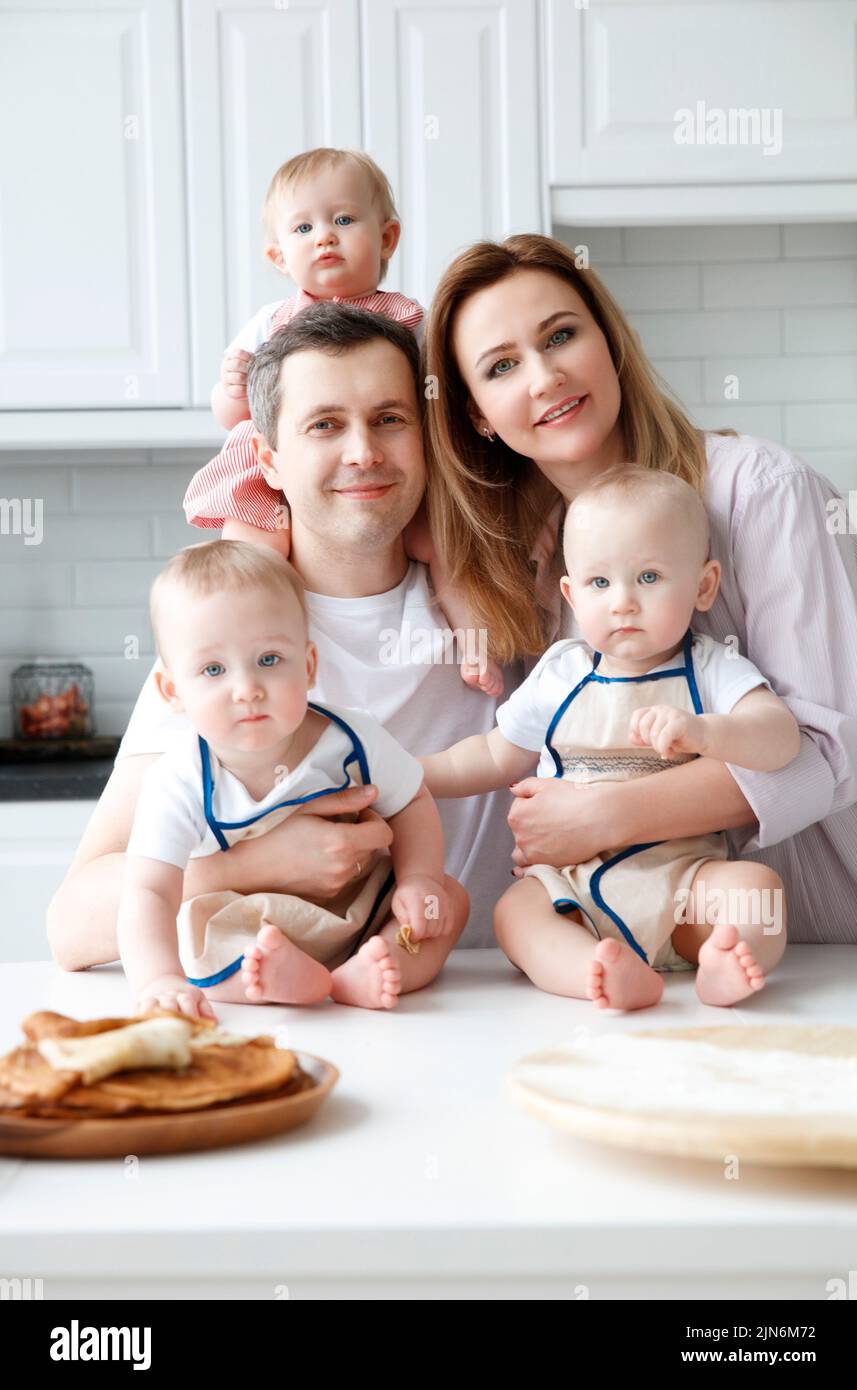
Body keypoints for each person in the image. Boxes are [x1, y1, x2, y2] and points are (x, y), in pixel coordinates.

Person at [422, 233, 857, 942]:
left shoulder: (760, 492)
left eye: (561, 336)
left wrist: (603, 816)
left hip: (835, 943)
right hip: (649, 953)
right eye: (502, 366)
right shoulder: (542, 571)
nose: (544, 378)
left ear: (610, 345)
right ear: (478, 415)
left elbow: (832, 751)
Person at [47, 305, 515, 971]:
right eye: (324, 424)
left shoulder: (498, 611)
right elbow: (70, 926)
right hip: (289, 1005)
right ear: (268, 458)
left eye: (390, 419)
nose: (363, 452)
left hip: (487, 1002)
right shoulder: (226, 644)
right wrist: (252, 865)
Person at [422, 467, 800, 1010]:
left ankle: (724, 958)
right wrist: (412, 774)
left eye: (648, 578)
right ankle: (592, 970)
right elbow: (490, 754)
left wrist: (707, 731)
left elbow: (781, 738)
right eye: (601, 584)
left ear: (703, 586)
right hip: (574, 887)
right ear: (573, 596)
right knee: (515, 914)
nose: (623, 601)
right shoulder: (561, 673)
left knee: (756, 890)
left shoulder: (713, 668)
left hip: (686, 882)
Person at [185, 146, 503, 694]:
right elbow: (236, 414)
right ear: (280, 258)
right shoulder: (270, 324)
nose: (325, 236)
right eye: (304, 227)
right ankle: (250, 654)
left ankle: (471, 637)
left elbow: (444, 388)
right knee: (249, 562)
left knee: (444, 546)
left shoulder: (412, 320)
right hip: (262, 484)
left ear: (386, 239)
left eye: (344, 219)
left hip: (395, 492)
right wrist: (230, 387)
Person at [118, 540, 462, 1018]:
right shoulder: (178, 780)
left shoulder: (352, 738)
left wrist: (418, 880)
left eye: (269, 660)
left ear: (309, 665)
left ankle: (368, 971)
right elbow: (149, 891)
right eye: (214, 669)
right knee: (199, 942)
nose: (247, 690)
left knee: (448, 901)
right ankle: (288, 979)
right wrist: (158, 979)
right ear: (173, 691)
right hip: (249, 929)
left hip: (358, 913)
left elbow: (411, 801)